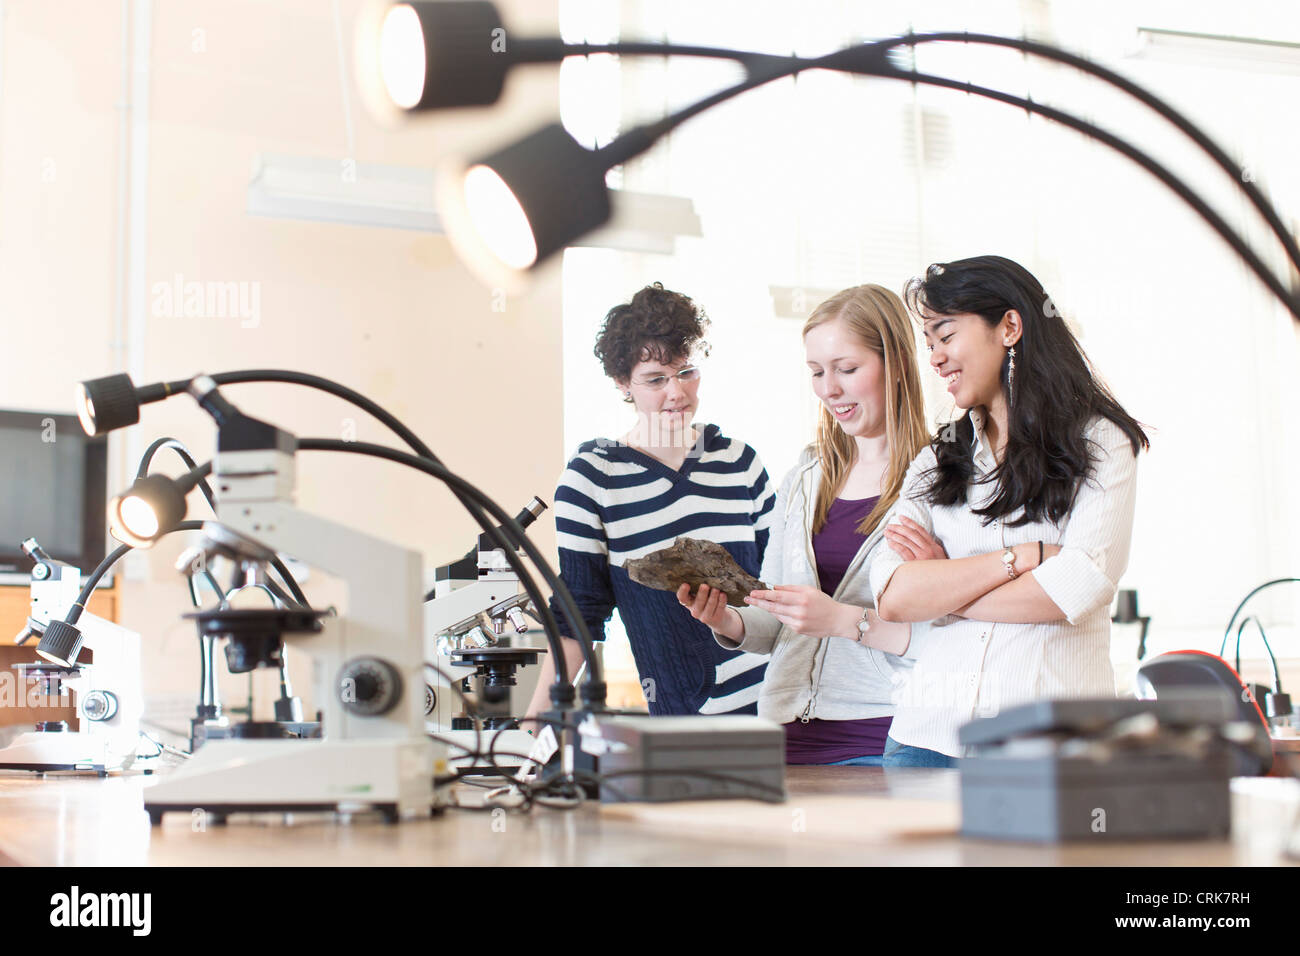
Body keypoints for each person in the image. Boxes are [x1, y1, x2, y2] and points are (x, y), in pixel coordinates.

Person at [870, 255, 1149, 767]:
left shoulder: (1102, 441)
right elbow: (892, 595)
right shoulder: (938, 458)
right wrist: (1021, 559)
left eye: (945, 335)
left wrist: (945, 587)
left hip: (1049, 747)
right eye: (928, 343)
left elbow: (1077, 586)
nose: (934, 357)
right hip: (924, 741)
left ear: (1010, 326)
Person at [679, 284, 939, 766]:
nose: (828, 389)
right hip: (784, 732)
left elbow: (949, 637)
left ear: (898, 364)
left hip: (885, 733)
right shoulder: (805, 477)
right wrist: (727, 619)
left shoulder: (939, 481)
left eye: (847, 369)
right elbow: (779, 618)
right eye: (817, 372)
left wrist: (846, 621)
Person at [524, 283, 777, 721]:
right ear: (623, 384)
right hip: (686, 722)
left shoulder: (740, 461)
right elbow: (579, 613)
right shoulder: (593, 478)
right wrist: (533, 725)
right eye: (656, 380)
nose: (676, 393)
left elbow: (784, 584)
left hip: (783, 710)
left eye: (686, 372)